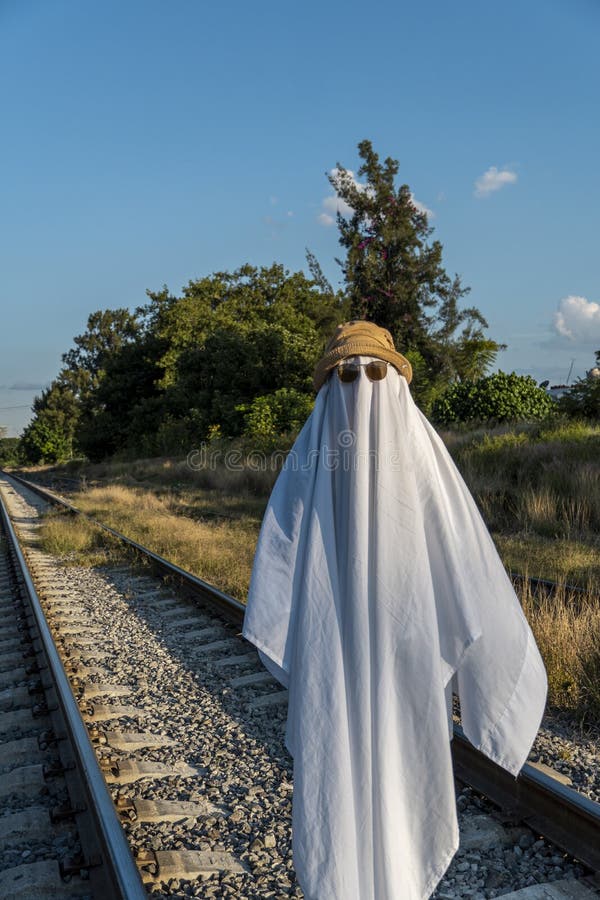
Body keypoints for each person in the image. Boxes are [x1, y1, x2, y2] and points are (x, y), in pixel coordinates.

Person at [243, 320, 547, 900]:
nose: (363, 388)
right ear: (331, 386)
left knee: (398, 776)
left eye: (374, 374)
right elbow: (282, 562)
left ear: (395, 381)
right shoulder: (311, 458)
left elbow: (466, 563)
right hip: (336, 659)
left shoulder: (410, 456)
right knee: (337, 774)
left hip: (406, 658)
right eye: (348, 376)